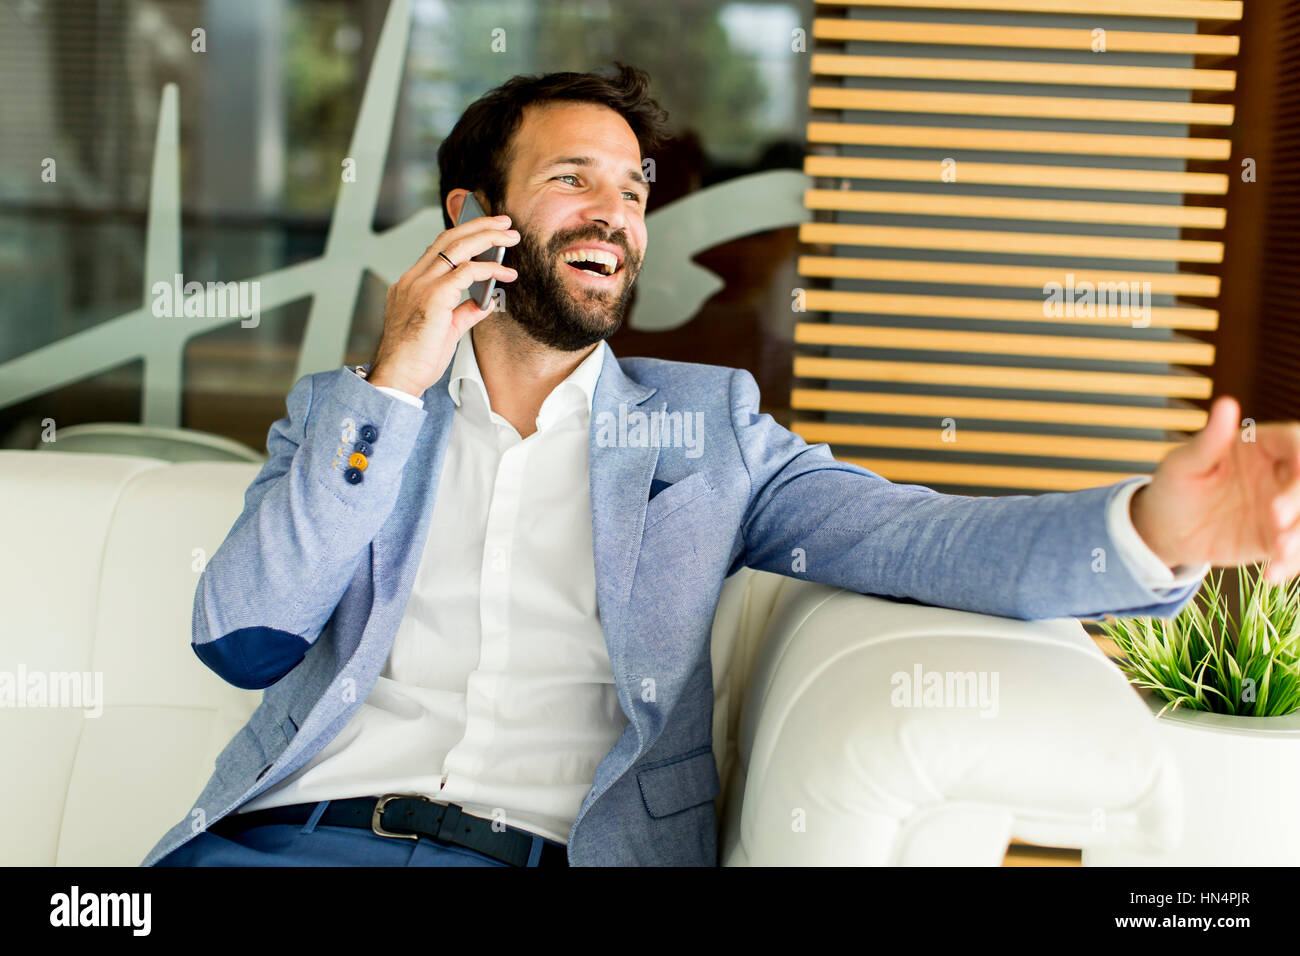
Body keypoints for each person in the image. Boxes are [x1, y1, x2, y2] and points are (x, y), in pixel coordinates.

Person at [145, 64, 1300, 868]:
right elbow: (245, 639)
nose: (617, 214)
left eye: (634, 188)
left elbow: (920, 537)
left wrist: (1152, 529)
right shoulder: (348, 418)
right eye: (573, 179)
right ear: (472, 217)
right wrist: (392, 382)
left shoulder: (709, 432)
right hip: (290, 840)